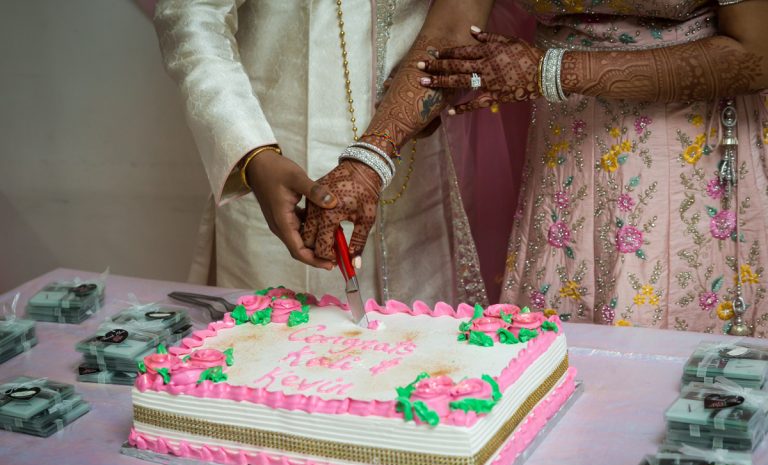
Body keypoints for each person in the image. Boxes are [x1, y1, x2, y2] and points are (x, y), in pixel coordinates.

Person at [419, 1, 768, 335]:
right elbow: (449, 30)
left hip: (686, 151)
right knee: (563, 363)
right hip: (565, 161)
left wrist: (549, 70)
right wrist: (373, 157)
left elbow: (757, 54)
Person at [153, 0, 492, 306]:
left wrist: (376, 154)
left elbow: (458, 20)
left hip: (414, 165)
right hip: (282, 162)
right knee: (275, 352)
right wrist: (252, 152)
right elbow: (192, 14)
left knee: (423, 356)